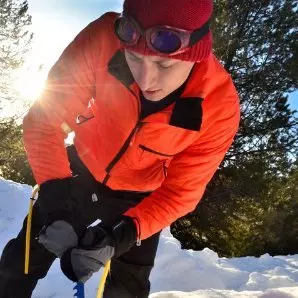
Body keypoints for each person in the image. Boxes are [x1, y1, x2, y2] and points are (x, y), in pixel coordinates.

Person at [0, 0, 240, 297]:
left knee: (127, 289)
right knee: (18, 265)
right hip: (79, 170)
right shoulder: (103, 39)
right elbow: (45, 119)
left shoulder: (220, 106)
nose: (145, 79)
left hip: (141, 198)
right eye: (134, 57)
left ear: (197, 53)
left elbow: (181, 192)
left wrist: (122, 236)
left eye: (164, 64)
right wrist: (56, 198)